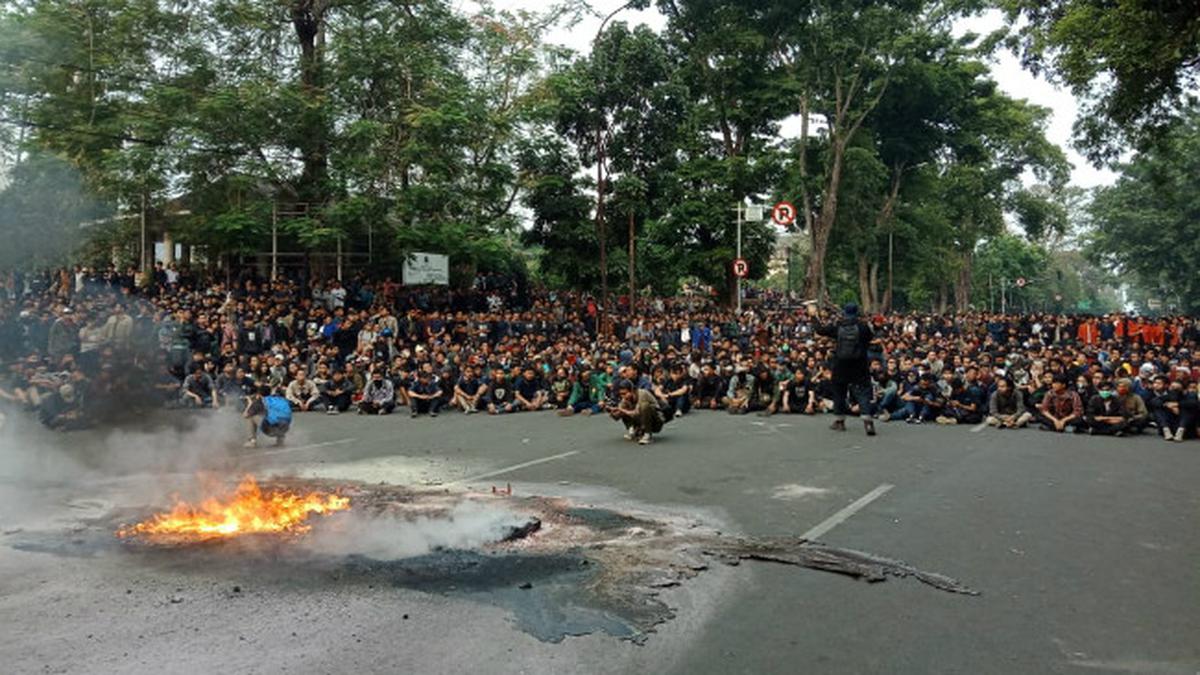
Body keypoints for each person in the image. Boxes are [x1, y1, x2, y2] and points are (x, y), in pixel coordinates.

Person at [809, 302, 875, 435]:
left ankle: (840, 421)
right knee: (863, 391)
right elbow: (870, 337)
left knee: (839, 391)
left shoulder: (838, 326)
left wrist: (813, 315)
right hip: (859, 364)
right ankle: (868, 422)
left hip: (841, 364)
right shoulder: (863, 327)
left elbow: (820, 330)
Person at [609, 379, 664, 445]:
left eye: (624, 393)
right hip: (641, 420)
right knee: (623, 409)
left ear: (632, 390)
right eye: (621, 394)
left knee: (644, 406)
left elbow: (637, 413)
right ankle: (634, 430)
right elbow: (617, 417)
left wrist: (622, 410)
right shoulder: (625, 399)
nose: (623, 396)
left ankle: (647, 434)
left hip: (656, 422)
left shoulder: (642, 394)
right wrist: (611, 412)